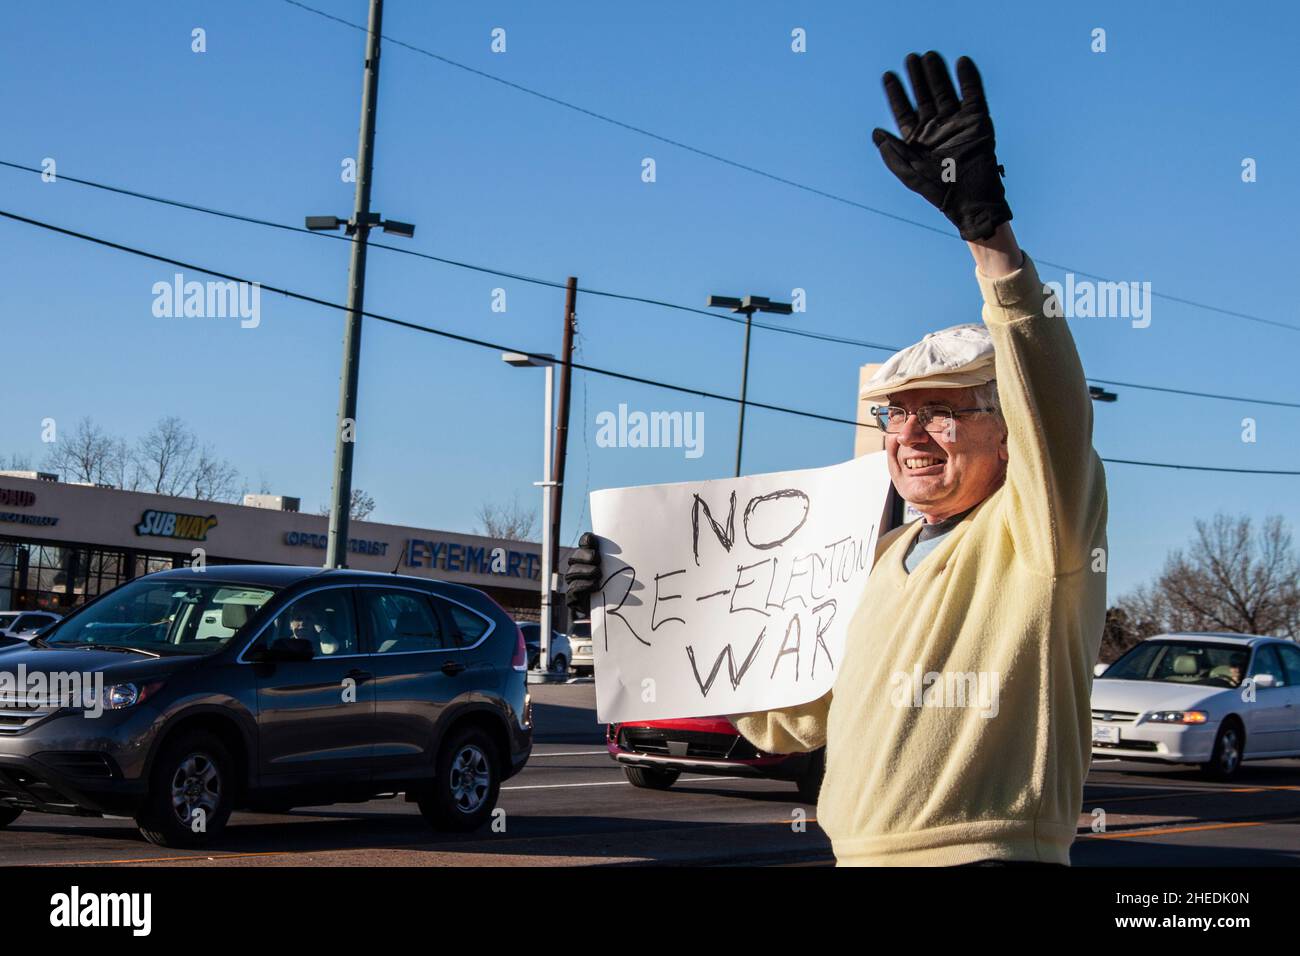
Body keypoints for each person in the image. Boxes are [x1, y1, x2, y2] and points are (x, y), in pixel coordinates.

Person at [565, 52, 1108, 867]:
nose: (911, 433)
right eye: (896, 413)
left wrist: (989, 240)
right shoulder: (874, 558)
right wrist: (626, 616)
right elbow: (788, 719)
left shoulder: (1040, 538)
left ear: (1007, 430)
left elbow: (1055, 413)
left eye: (944, 412)